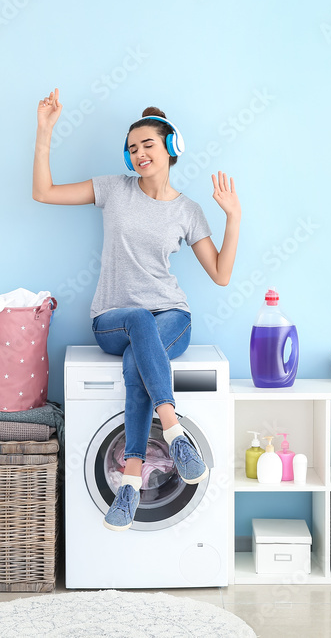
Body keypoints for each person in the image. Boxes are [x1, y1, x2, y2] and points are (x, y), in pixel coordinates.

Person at [32, 88, 241, 531]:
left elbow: (221, 274)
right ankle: (174, 431)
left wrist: (233, 218)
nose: (139, 153)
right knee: (138, 321)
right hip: (113, 318)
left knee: (137, 361)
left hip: (172, 318)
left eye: (148, 144)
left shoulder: (188, 210)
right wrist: (45, 130)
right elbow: (43, 192)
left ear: (171, 148)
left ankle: (128, 483)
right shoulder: (114, 189)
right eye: (132, 148)